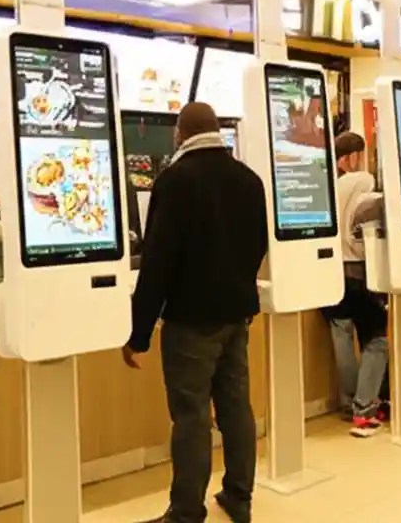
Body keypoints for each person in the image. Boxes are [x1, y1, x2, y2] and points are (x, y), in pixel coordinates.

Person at [124, 102, 267, 523]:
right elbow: (257, 244)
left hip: (190, 322)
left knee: (191, 415)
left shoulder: (175, 181)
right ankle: (239, 497)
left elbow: (158, 262)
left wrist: (139, 331)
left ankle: (187, 510)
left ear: (179, 134)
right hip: (235, 317)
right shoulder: (249, 179)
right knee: (236, 406)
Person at [318, 131, 391, 437]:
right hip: (362, 271)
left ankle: (350, 402)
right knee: (376, 340)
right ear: (353, 157)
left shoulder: (327, 187)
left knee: (342, 334)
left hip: (333, 273)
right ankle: (364, 408)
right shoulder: (365, 182)